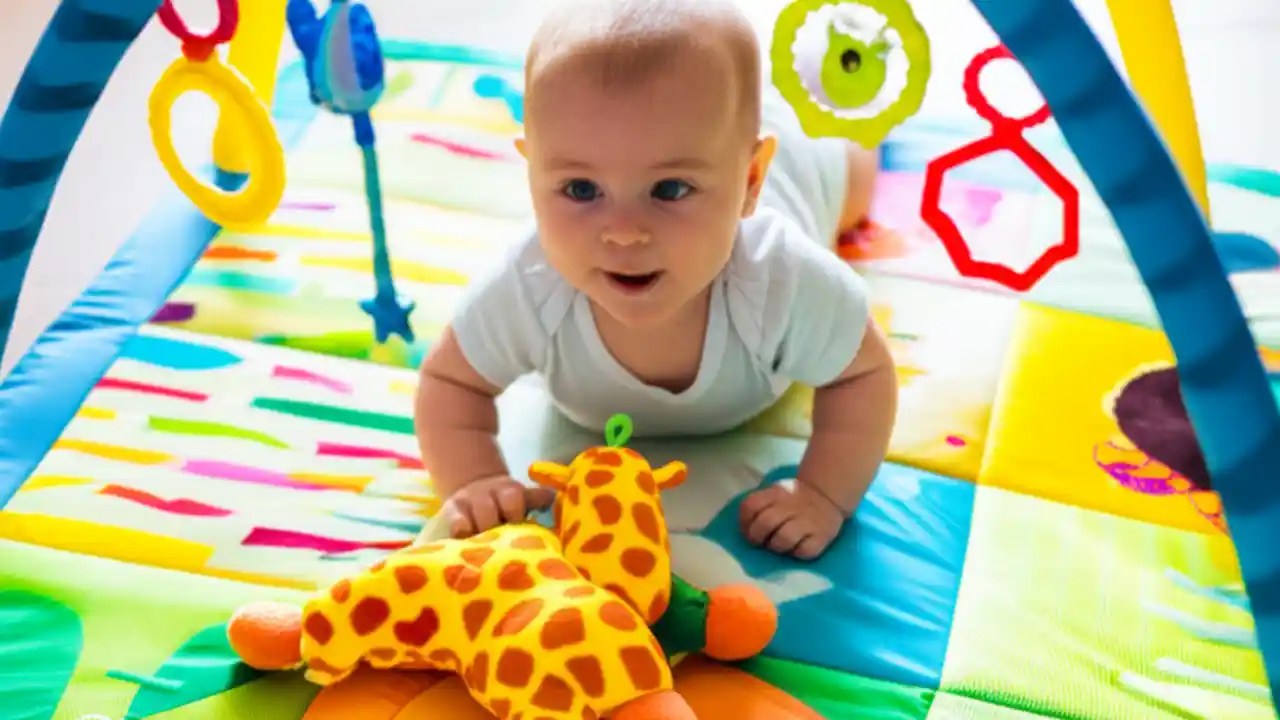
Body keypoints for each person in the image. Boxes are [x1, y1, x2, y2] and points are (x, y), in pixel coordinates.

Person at [413, 0, 897, 560]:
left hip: (805, 170)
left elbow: (863, 373)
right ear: (532, 176)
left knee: (852, 183)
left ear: (749, 181)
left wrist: (822, 495)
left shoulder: (780, 279)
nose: (623, 233)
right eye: (580, 190)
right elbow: (451, 384)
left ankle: (842, 110)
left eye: (669, 190)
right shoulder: (529, 284)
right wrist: (474, 482)